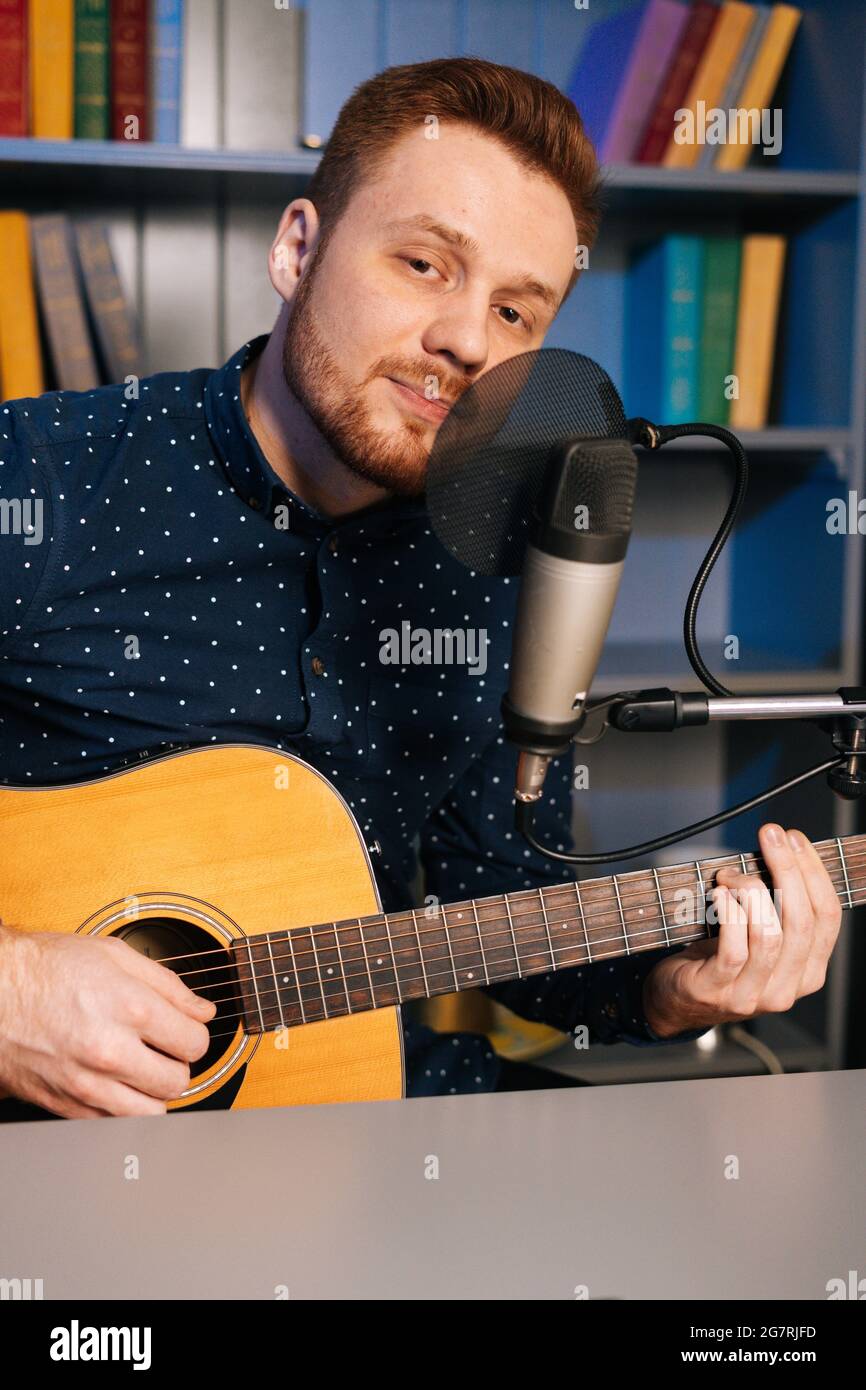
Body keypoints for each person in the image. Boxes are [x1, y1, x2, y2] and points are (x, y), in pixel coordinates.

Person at [0, 58, 842, 1119]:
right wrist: (11, 988)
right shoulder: (37, 477)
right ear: (296, 248)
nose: (465, 341)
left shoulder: (495, 567)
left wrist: (669, 988)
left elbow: (495, 896)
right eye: (424, 264)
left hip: (367, 1106)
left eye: (514, 311)